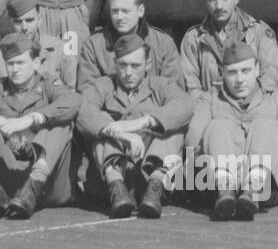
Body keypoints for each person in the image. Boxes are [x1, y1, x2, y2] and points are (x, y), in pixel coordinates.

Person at [0, 33, 82, 220]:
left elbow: (73, 100)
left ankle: (33, 186)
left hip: (47, 183)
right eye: (10, 64)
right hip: (10, 179)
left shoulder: (48, 84)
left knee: (60, 123)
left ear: (36, 64)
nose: (14, 69)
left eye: (20, 63)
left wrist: (33, 118)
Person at [186, 38, 278, 221]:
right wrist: (209, 169)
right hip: (218, 190)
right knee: (218, 125)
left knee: (266, 125)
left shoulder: (277, 99)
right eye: (232, 72)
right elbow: (192, 141)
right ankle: (226, 189)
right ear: (222, 73)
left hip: (268, 186)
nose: (240, 79)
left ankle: (252, 189)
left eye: (246, 70)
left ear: (257, 69)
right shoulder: (208, 100)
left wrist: (275, 169)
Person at [77, 34, 195, 220]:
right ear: (115, 63)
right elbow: (83, 111)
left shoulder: (161, 85)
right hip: (112, 179)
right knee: (101, 125)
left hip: (148, 173)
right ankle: (116, 186)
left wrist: (144, 122)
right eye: (122, 65)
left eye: (135, 66)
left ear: (148, 64)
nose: (128, 72)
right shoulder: (103, 85)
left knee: (172, 127)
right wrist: (120, 133)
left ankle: (155, 187)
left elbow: (186, 106)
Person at [180, 0, 278, 95]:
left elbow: (272, 81)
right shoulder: (193, 38)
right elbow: (190, 87)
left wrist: (245, 108)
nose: (219, 6)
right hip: (209, 111)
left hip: (252, 110)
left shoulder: (258, 32)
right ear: (206, 1)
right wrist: (211, 108)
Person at [78, 0, 183, 91]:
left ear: (140, 11)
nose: (119, 17)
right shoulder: (93, 45)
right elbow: (87, 92)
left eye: (125, 11)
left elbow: (175, 93)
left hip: (153, 107)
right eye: (115, 11)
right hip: (108, 106)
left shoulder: (163, 44)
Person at [0, 0, 77, 92]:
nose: (24, 27)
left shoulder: (59, 49)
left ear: (39, 19)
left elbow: (72, 94)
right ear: (11, 22)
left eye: (29, 20)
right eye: (18, 22)